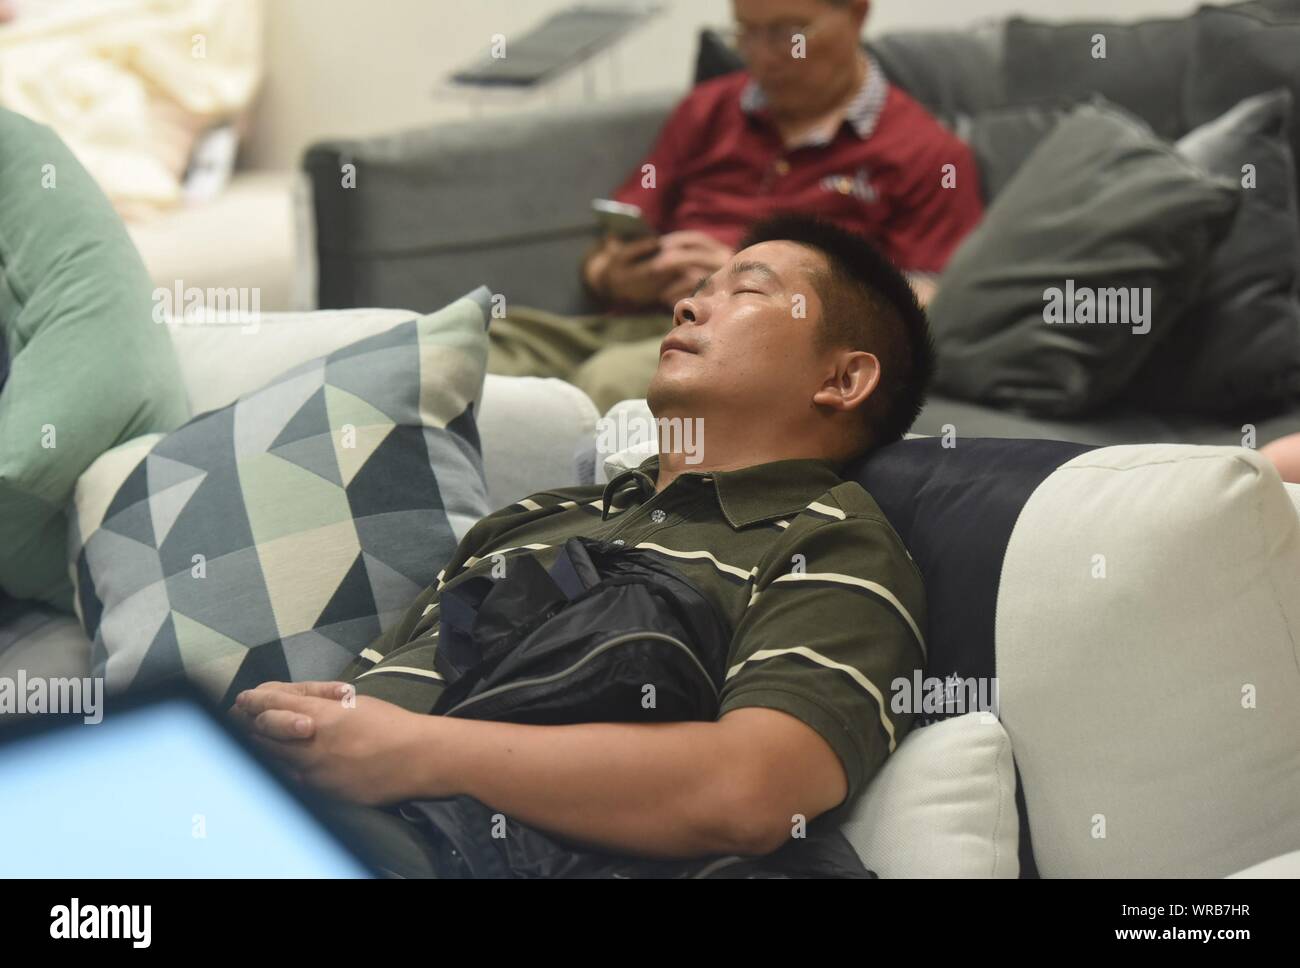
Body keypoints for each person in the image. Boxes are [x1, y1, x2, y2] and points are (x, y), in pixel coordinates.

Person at [231, 214, 932, 877]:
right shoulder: (536, 518)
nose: (688, 309)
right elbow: (368, 698)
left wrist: (416, 754)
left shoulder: (830, 542)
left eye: (746, 290)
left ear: (844, 379)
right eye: (695, 292)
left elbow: (753, 789)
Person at [487, 0, 983, 414]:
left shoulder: (926, 154)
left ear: (856, 14)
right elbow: (611, 241)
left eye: (789, 33)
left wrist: (741, 282)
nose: (765, 58)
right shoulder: (708, 110)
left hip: (759, 351)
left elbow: (924, 299)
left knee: (609, 381)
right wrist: (613, 273)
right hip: (637, 316)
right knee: (470, 348)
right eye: (747, 34)